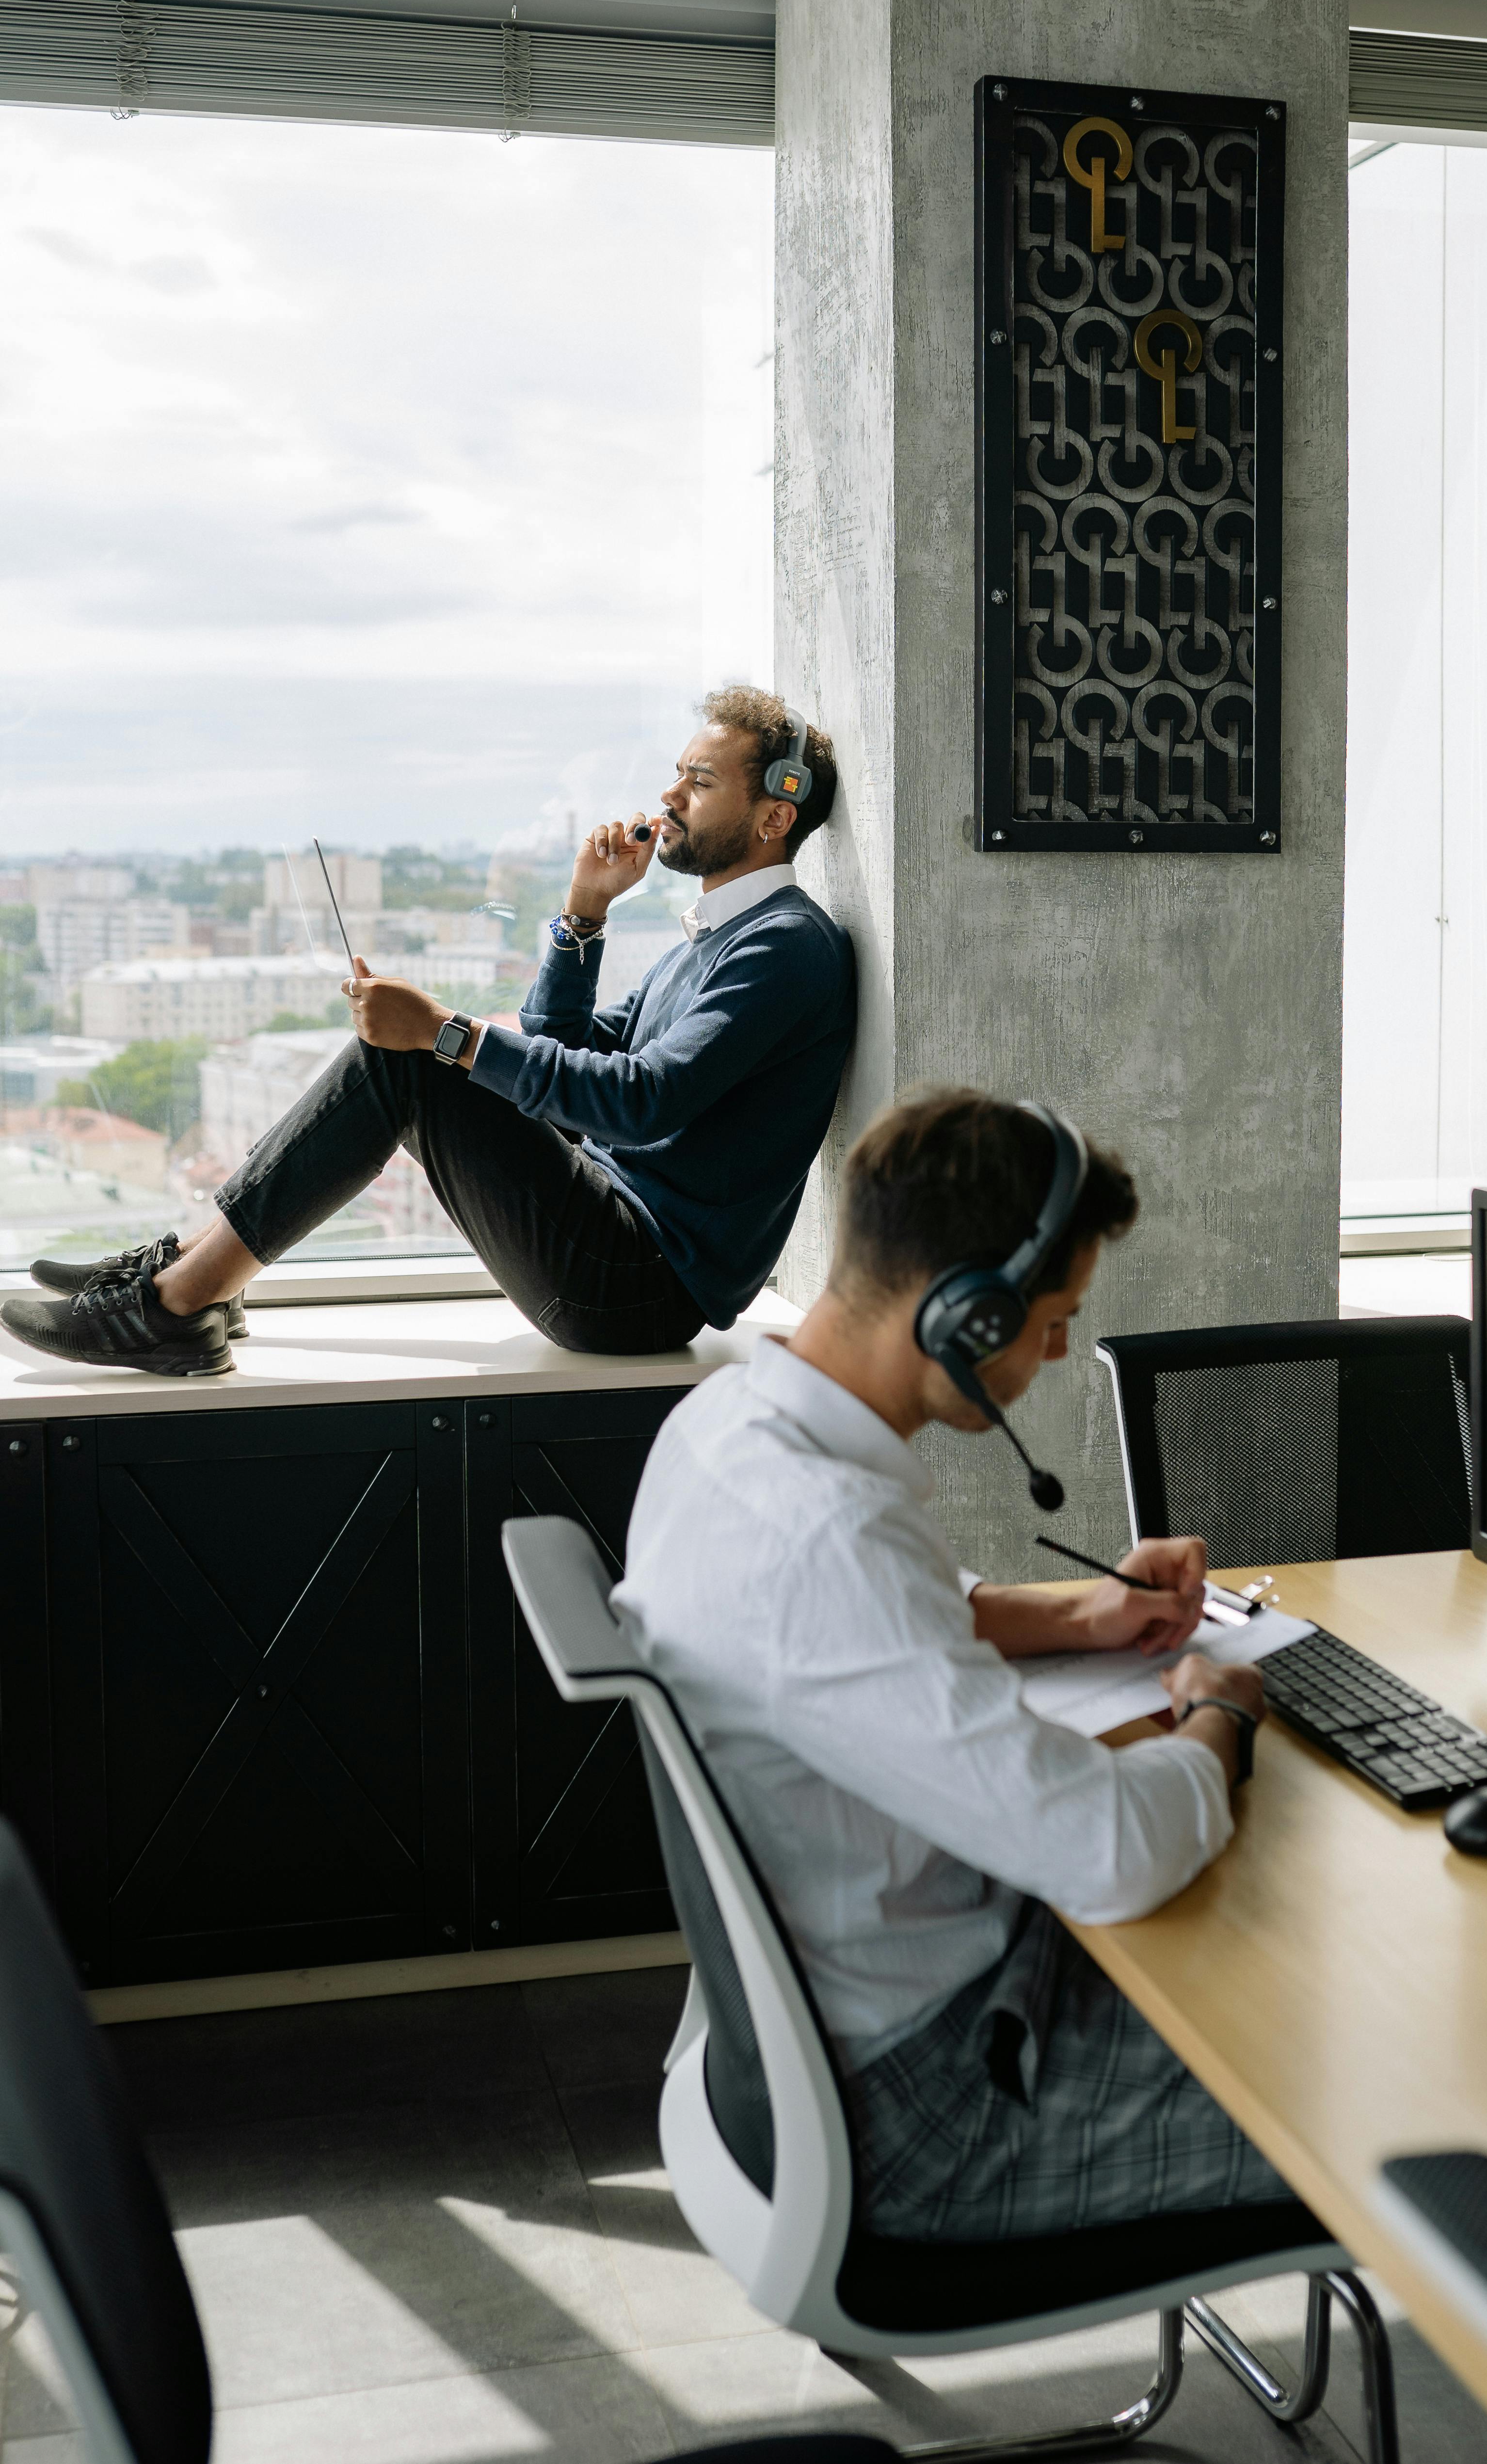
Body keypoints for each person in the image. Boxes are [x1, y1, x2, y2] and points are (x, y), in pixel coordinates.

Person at [615, 1085, 1288, 2243]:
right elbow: (1110, 1851)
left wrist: (1085, 1613)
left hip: (835, 2036)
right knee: (1363, 2085)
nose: (1061, 1344)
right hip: (921, 2111)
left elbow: (867, 1635)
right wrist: (1218, 1716)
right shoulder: (827, 1535)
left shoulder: (728, 1430)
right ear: (966, 1318)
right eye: (1052, 1315)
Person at [4, 688, 855, 1380]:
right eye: (677, 774)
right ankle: (186, 1270)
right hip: (613, 1248)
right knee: (420, 1049)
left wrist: (442, 1032)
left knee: (417, 1060)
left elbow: (638, 1103)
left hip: (637, 1287)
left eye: (699, 782)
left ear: (775, 816)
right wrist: (583, 915)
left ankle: (176, 1305)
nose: (668, 797)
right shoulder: (718, 939)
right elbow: (571, 1044)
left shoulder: (786, 948)